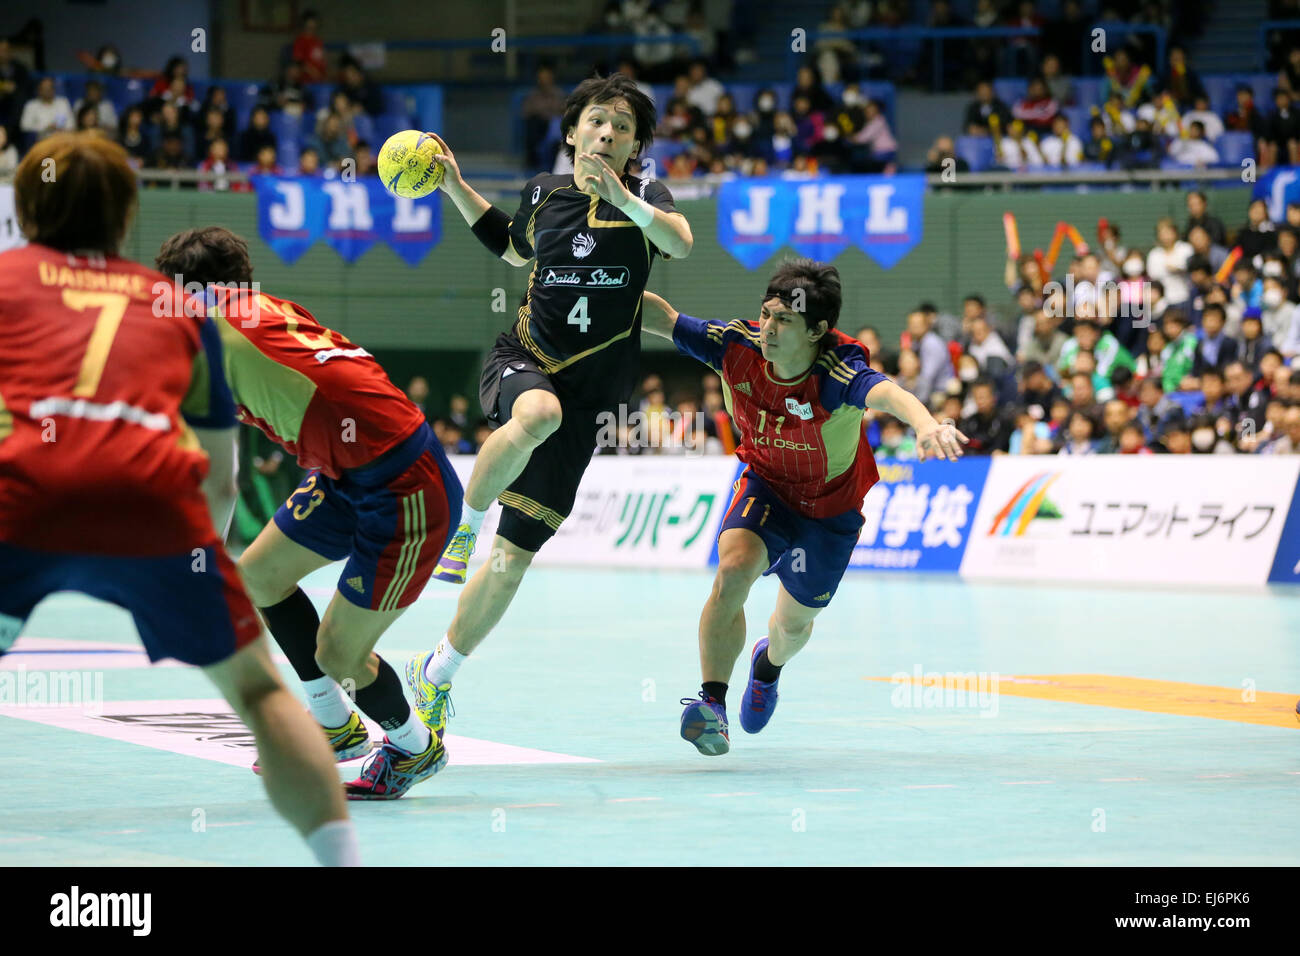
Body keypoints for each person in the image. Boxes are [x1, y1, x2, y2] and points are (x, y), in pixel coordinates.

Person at [0, 133, 357, 864]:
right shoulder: (177, 306)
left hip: (23, 496)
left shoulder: (7, 277)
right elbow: (219, 476)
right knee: (261, 698)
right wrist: (201, 564)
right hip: (150, 502)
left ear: (29, 207)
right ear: (124, 216)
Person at [404, 74, 692, 730]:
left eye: (622, 126)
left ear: (637, 144)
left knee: (511, 564)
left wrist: (623, 198)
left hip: (592, 400)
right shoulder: (543, 191)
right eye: (596, 121)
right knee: (537, 413)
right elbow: (511, 248)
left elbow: (679, 242)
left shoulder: (647, 197)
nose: (607, 132)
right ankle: (463, 528)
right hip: (525, 361)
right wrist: (452, 184)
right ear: (571, 133)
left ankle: (437, 672)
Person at [154, 226, 463, 800]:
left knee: (338, 652)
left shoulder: (210, 342)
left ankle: (414, 748)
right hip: (345, 472)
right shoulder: (263, 306)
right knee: (261, 575)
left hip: (405, 489)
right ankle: (335, 727)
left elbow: (221, 481)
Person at [637, 260, 966, 754]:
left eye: (783, 321)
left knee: (790, 628)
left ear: (816, 331)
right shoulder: (736, 346)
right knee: (733, 570)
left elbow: (889, 394)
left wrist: (925, 425)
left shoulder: (837, 374)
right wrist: (597, 280)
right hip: (766, 487)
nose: (767, 328)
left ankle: (767, 668)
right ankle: (712, 705)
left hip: (828, 514)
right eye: (766, 315)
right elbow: (664, 318)